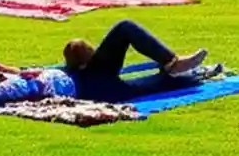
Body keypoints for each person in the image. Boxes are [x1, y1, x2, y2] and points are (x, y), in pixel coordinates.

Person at [62, 20, 212, 103]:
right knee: (163, 82)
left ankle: (171, 64)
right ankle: (173, 66)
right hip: (96, 88)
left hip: (84, 78)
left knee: (76, 46)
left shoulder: (54, 77)